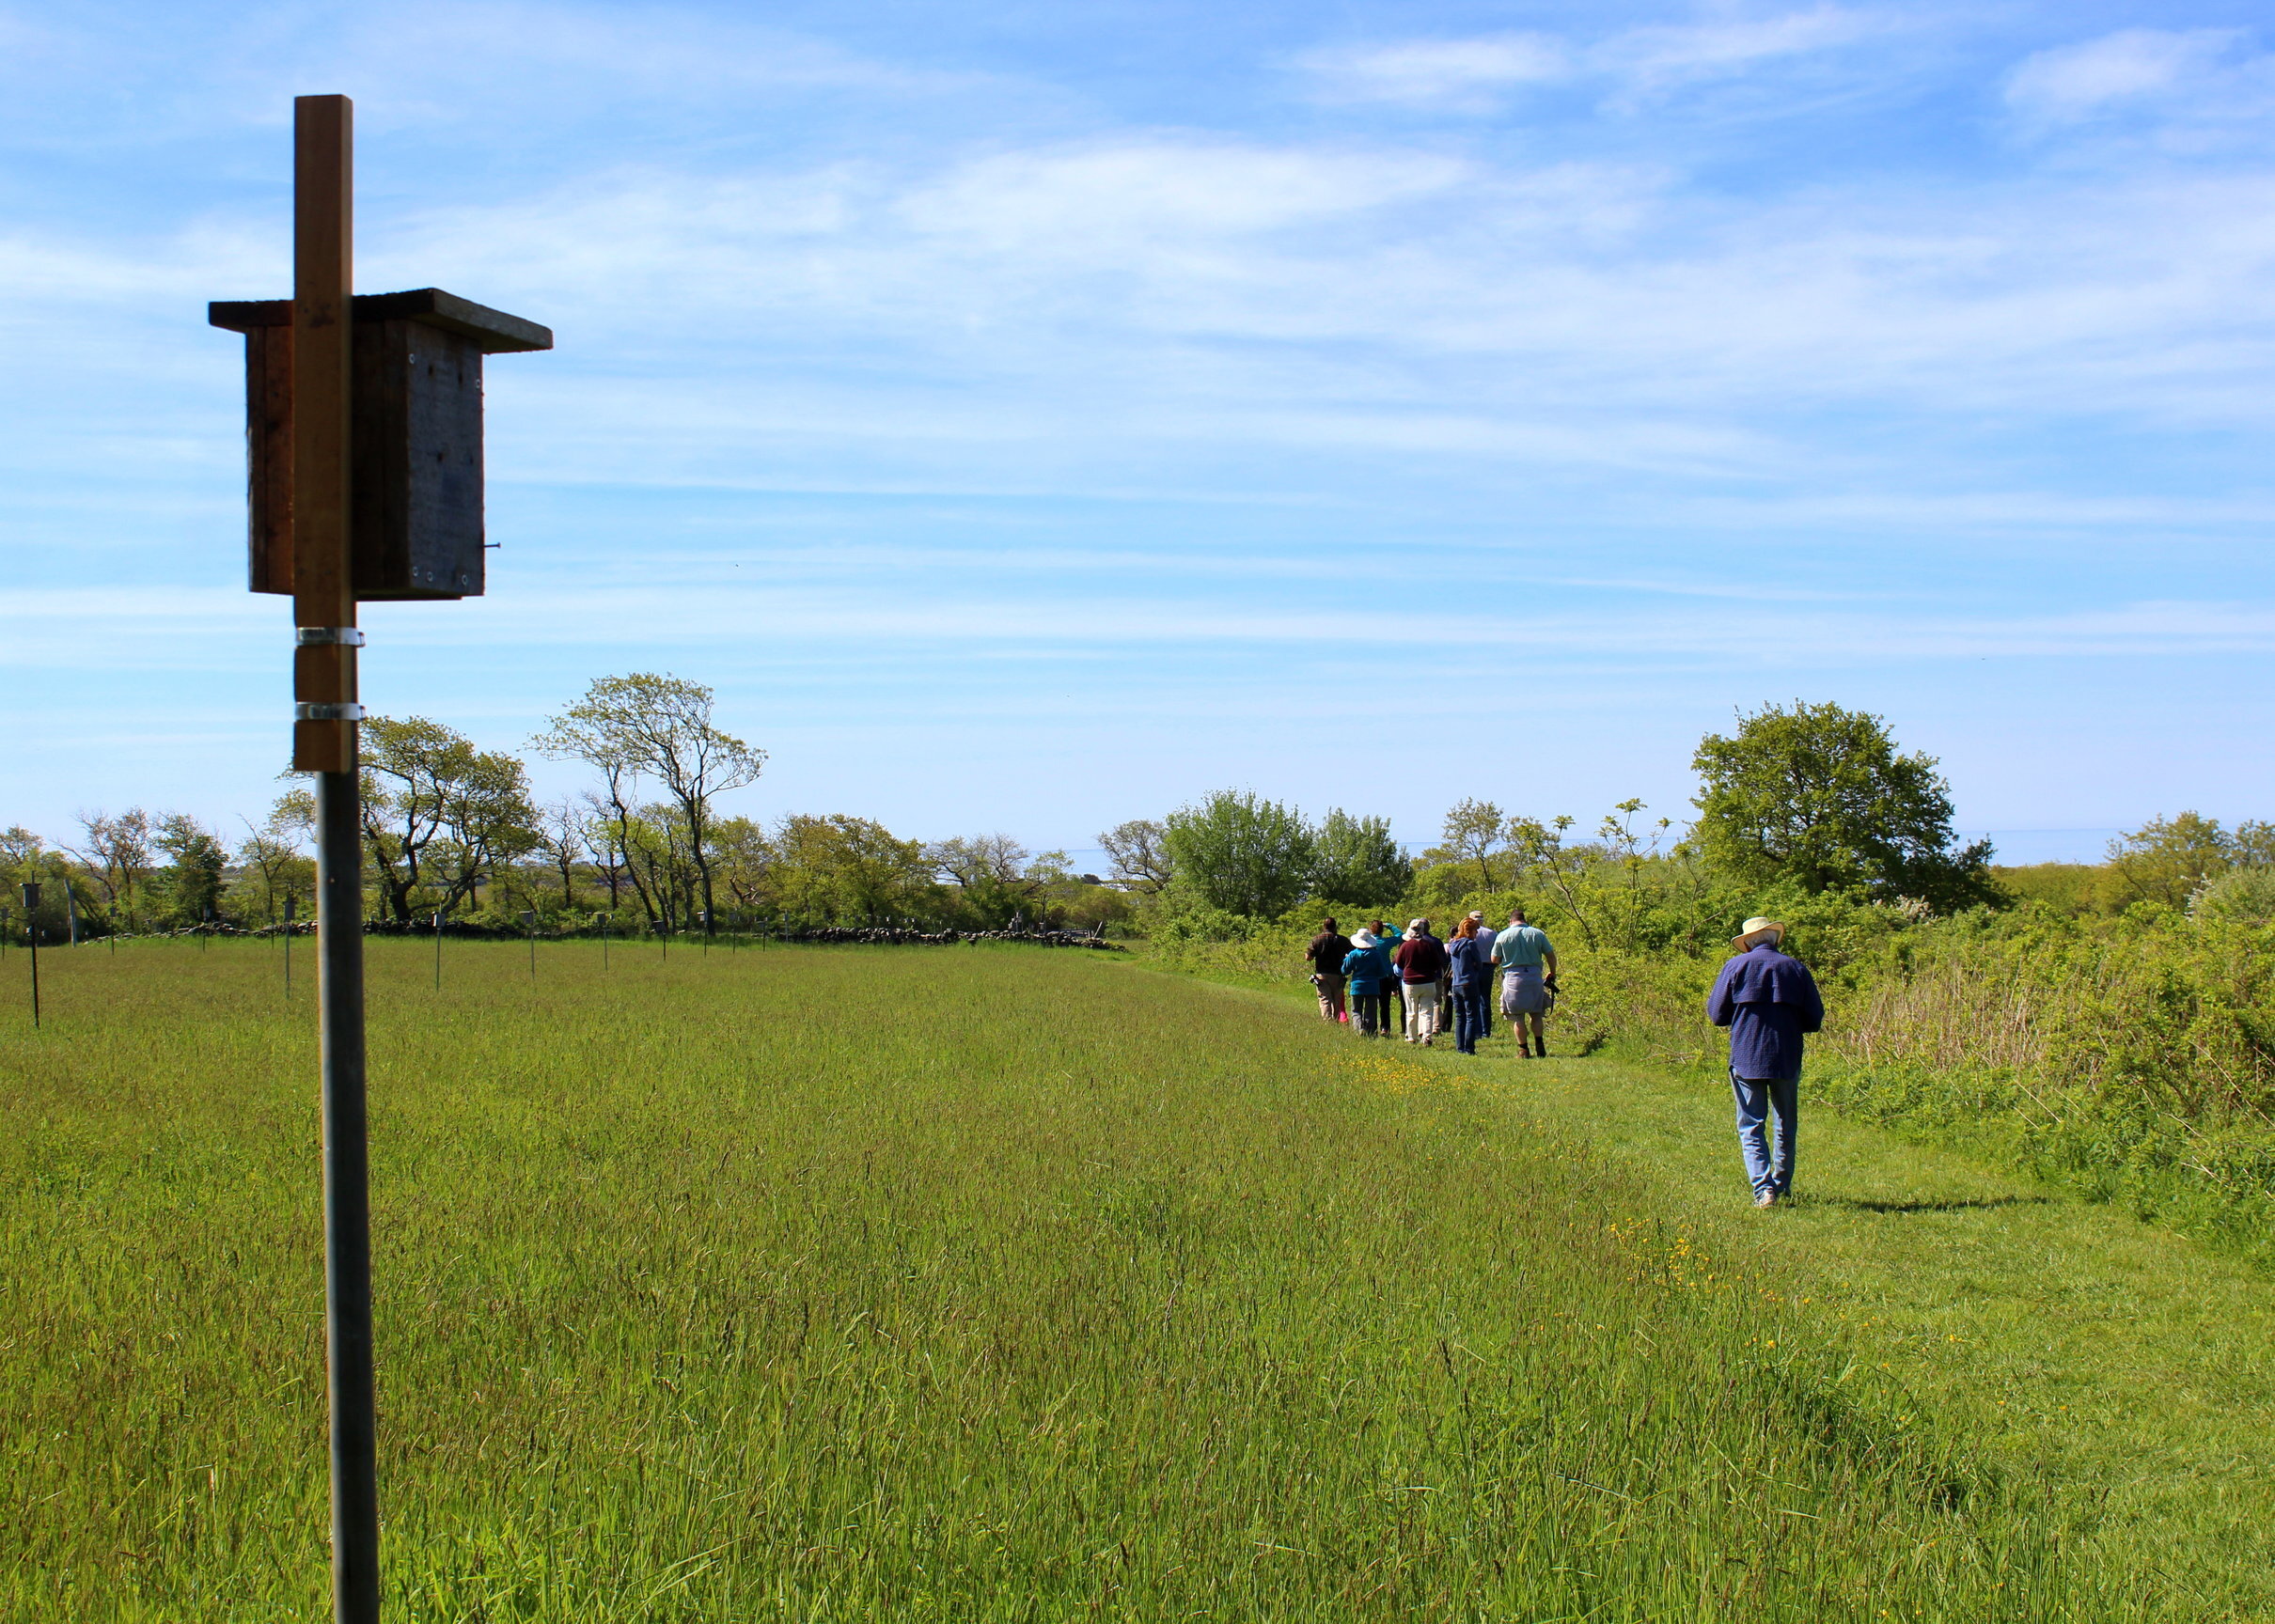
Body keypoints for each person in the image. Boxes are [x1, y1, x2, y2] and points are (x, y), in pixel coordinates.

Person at [1707, 915, 1825, 1209]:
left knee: (1751, 1124)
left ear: (1748, 943)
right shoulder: (1796, 968)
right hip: (1786, 1055)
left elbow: (1717, 1015)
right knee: (1785, 1123)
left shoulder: (1735, 966)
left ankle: (1763, 1190)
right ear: (1774, 939)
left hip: (1747, 1055)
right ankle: (1781, 1185)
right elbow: (1814, 1018)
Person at [1491, 908, 1558, 1057]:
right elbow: (1550, 955)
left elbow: (1494, 959)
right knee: (1536, 1014)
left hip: (1513, 978)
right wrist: (1552, 972)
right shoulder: (1538, 934)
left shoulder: (1502, 935)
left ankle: (1524, 1050)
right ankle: (1540, 1046)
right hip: (1534, 976)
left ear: (1511, 921)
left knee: (1518, 1017)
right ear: (1524, 920)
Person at [1392, 917, 1449, 1045]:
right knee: (1427, 1011)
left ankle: (1411, 1037)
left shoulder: (1405, 946)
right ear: (1423, 930)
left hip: (1410, 982)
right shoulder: (1429, 945)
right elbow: (1437, 964)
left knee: (1411, 1011)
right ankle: (1427, 1036)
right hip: (1428, 981)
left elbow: (1399, 965)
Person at [1446, 916, 1495, 1054]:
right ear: (1470, 931)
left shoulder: (1453, 944)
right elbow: (1479, 964)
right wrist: (1473, 965)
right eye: (1475, 931)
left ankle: (1460, 1047)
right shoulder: (1470, 944)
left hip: (1456, 984)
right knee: (1471, 1016)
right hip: (1469, 983)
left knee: (1459, 1017)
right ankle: (1469, 1048)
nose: (1476, 933)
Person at [1341, 927, 1396, 1038]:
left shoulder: (1353, 954)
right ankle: (1370, 1032)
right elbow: (1382, 973)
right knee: (1370, 1011)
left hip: (1357, 985)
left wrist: (1346, 960)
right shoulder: (1376, 954)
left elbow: (1345, 970)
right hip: (1373, 986)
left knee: (1356, 1010)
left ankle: (1359, 1030)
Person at [1306, 917, 1354, 1023]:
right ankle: (1335, 1021)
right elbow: (1353, 954)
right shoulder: (1343, 940)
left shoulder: (1317, 939)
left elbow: (1308, 957)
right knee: (1337, 1000)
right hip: (1338, 974)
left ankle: (1328, 1022)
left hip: (1322, 974)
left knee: (1325, 999)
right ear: (1335, 927)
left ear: (1324, 926)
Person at [1462, 910, 1495, 1038]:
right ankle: (1486, 1031)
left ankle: (1476, 1030)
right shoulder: (1492, 933)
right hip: (1488, 967)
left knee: (1473, 999)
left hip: (1473, 968)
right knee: (1485, 1000)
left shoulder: (1467, 935)